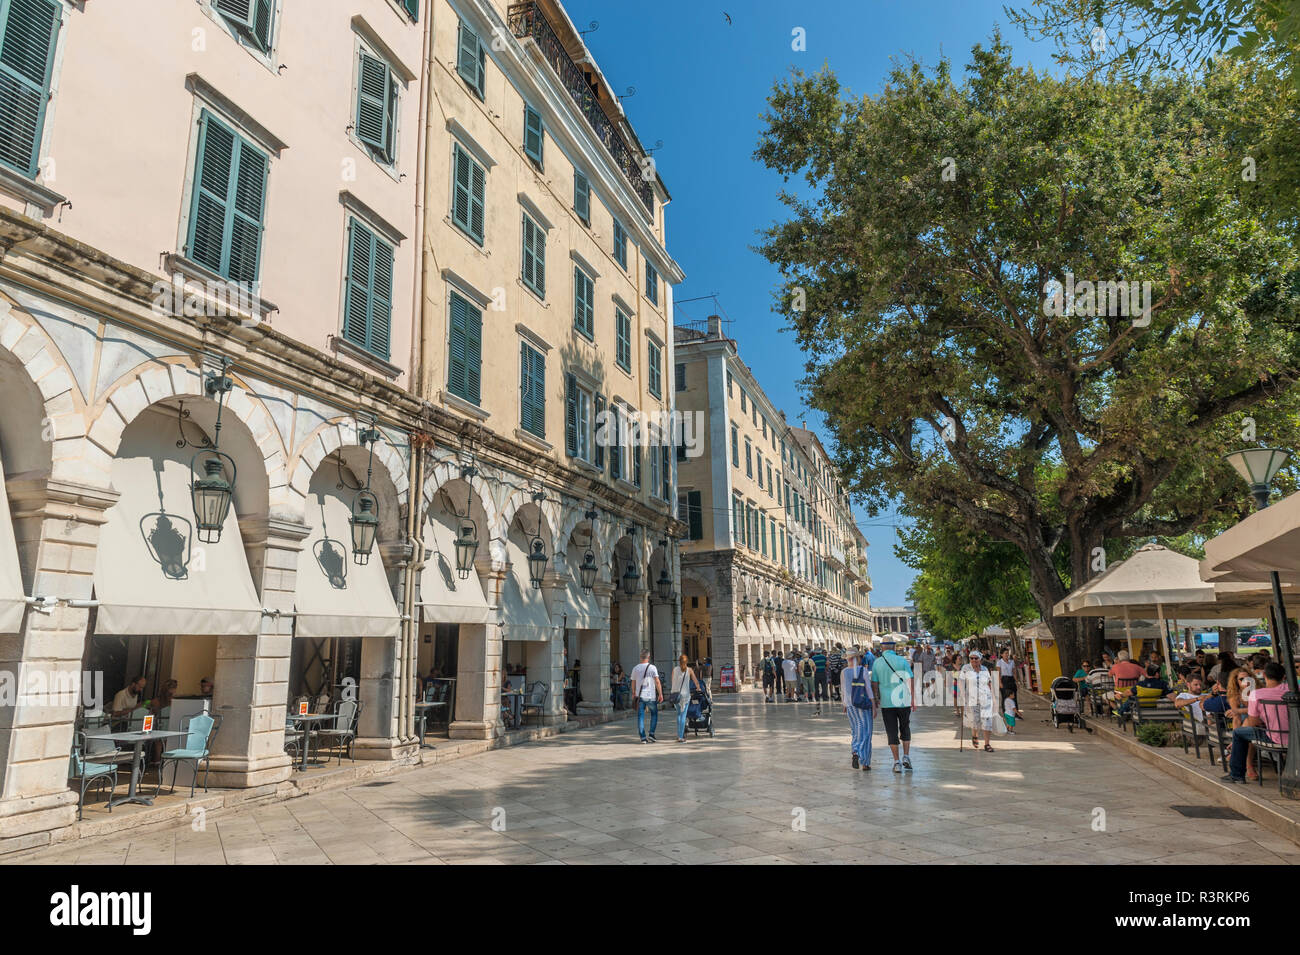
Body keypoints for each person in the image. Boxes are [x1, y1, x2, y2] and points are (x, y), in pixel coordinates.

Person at [1224, 662, 1288, 784]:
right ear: (1284, 676)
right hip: (1296, 737)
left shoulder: (1257, 694)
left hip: (1274, 737)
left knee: (1238, 733)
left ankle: (1237, 775)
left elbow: (1253, 722)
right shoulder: (1295, 690)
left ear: (1264, 675)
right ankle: (1248, 766)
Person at [871, 637, 916, 772]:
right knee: (905, 727)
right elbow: (910, 679)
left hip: (887, 702)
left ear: (882, 647)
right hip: (903, 700)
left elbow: (874, 683)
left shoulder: (877, 663)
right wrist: (913, 698)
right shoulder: (902, 660)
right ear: (894, 647)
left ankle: (896, 762)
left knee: (891, 731)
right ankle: (906, 756)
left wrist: (877, 698)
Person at [958, 651, 1001, 751]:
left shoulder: (984, 669)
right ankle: (974, 735)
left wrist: (994, 697)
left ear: (980, 659)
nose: (973, 660)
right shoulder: (965, 668)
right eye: (971, 658)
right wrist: (962, 694)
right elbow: (961, 682)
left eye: (976, 658)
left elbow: (989, 683)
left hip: (985, 698)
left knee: (987, 722)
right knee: (975, 722)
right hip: (971, 699)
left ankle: (987, 744)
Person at [842, 648, 874, 770]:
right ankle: (864, 761)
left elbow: (843, 691)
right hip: (862, 704)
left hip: (850, 705)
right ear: (857, 658)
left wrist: (844, 705)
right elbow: (868, 690)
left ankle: (855, 751)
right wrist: (874, 705)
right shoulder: (863, 670)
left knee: (856, 730)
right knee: (866, 731)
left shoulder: (844, 672)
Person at [630, 650, 662, 743]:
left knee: (640, 716)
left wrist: (633, 692)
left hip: (640, 696)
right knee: (654, 714)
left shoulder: (635, 668)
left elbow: (633, 682)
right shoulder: (653, 668)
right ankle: (651, 734)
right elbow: (657, 681)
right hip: (651, 695)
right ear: (648, 657)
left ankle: (643, 737)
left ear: (640, 657)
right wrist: (660, 693)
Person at [671, 655, 702, 742]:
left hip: (675, 695)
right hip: (685, 696)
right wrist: (698, 688)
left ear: (679, 661)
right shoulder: (689, 670)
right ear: (686, 662)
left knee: (678, 714)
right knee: (683, 715)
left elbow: (672, 681)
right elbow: (696, 681)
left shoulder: (674, 670)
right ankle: (681, 737)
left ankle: (679, 734)